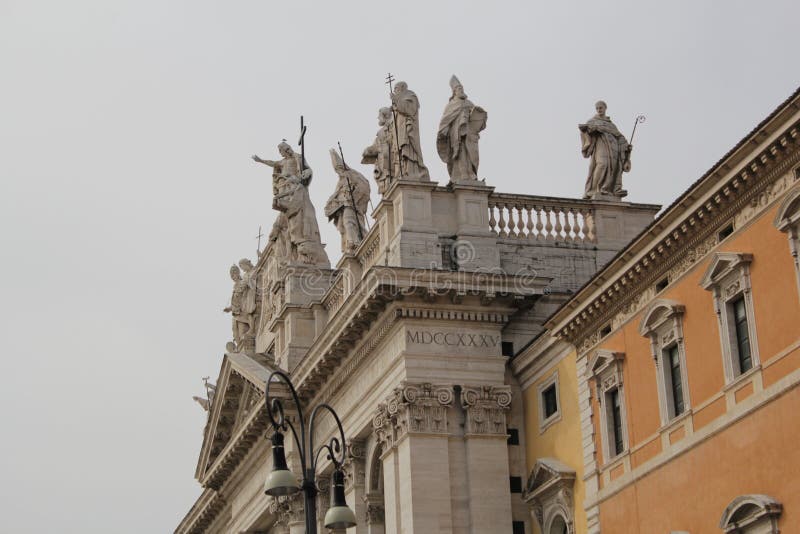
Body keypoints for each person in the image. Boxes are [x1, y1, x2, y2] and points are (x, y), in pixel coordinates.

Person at [437, 75, 487, 182]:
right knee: (460, 153)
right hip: (456, 134)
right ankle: (462, 174)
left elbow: (476, 118)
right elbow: (445, 120)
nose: (461, 90)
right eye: (459, 89)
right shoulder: (451, 105)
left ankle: (471, 173)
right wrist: (444, 130)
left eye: (462, 88)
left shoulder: (469, 103)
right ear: (454, 92)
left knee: (470, 153)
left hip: (469, 134)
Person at [579, 101, 631, 198]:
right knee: (602, 164)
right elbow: (587, 133)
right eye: (597, 108)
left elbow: (619, 136)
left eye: (601, 108)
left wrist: (626, 146)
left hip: (614, 149)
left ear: (605, 108)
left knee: (613, 167)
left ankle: (607, 189)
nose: (599, 110)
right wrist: (586, 130)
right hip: (601, 145)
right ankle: (594, 190)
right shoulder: (592, 121)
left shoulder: (611, 125)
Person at [391, 81, 430, 181]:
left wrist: (396, 100)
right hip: (400, 131)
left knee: (409, 149)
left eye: (396, 88)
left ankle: (412, 171)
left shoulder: (410, 96)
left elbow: (409, 110)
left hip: (408, 131)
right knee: (401, 151)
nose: (395, 91)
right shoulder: (400, 99)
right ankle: (403, 171)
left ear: (402, 87)